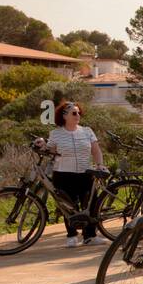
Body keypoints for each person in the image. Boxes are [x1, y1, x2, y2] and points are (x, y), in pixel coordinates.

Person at [46, 101, 107, 247]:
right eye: (74, 113)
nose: (78, 115)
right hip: (63, 174)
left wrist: (100, 165)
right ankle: (72, 235)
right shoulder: (55, 133)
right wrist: (42, 145)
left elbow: (96, 150)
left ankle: (90, 236)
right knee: (68, 206)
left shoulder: (87, 131)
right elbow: (50, 151)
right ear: (64, 115)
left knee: (91, 205)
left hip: (85, 173)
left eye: (79, 112)